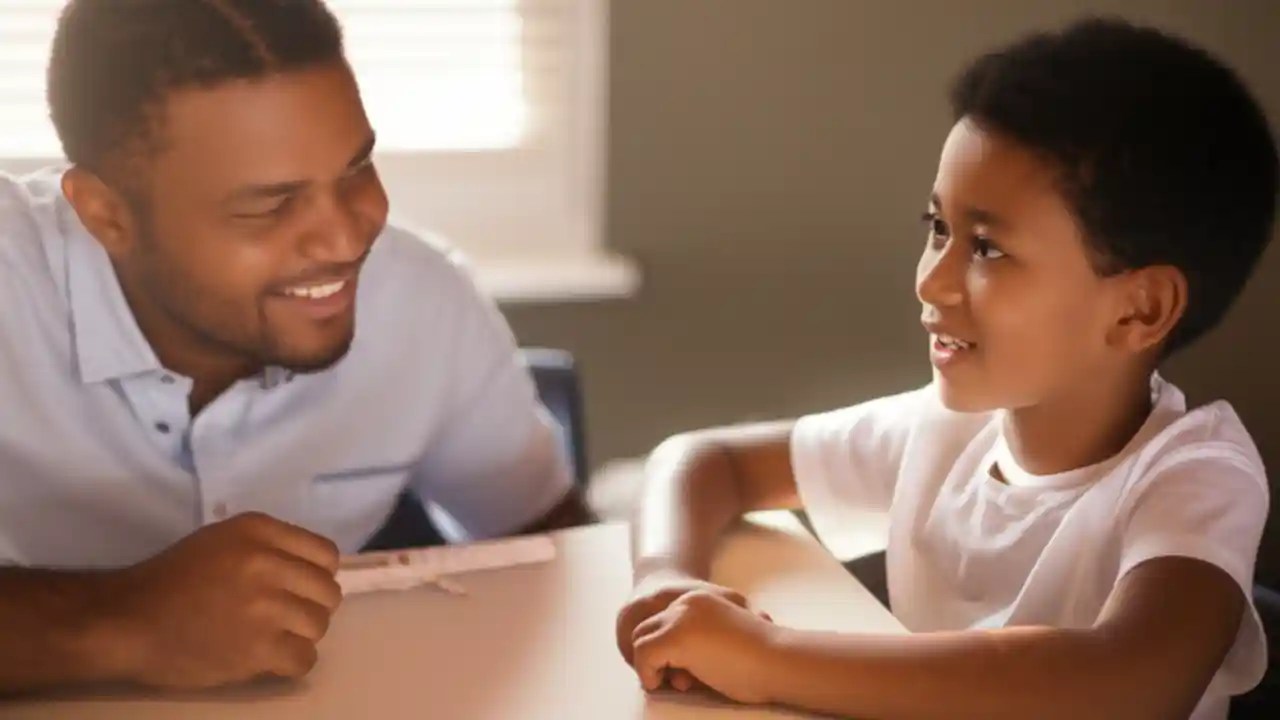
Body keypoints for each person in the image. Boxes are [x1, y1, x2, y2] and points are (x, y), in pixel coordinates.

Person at [617, 17, 1277, 720]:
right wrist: (665, 575)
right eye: (938, 229)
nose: (932, 282)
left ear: (1139, 310)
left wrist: (768, 659)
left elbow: (1132, 682)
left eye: (987, 248)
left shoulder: (1198, 474)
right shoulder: (940, 432)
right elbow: (706, 459)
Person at [0, 0, 590, 693]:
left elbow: (556, 549)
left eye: (356, 171)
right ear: (105, 214)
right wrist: (119, 622)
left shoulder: (423, 300)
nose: (345, 241)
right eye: (268, 206)